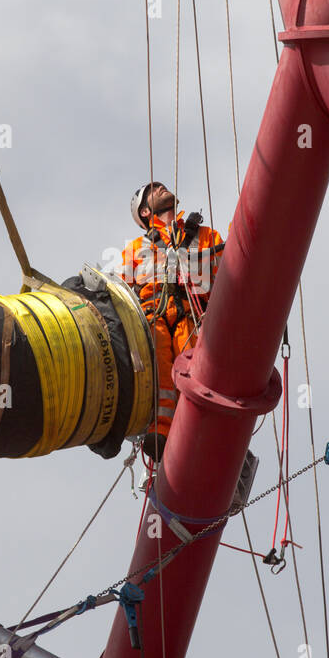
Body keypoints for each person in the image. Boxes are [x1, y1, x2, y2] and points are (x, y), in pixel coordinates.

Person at [120, 182, 224, 463]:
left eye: (161, 185)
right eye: (152, 190)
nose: (160, 187)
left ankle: (200, 436)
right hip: (153, 319)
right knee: (161, 376)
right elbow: (120, 293)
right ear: (144, 212)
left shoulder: (205, 236)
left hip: (193, 317)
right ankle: (161, 432)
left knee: (194, 375)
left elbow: (229, 276)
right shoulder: (135, 249)